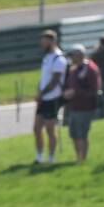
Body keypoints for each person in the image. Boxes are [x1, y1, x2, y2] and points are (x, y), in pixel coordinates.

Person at [62, 45, 101, 162]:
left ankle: (82, 159)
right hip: (74, 107)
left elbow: (94, 90)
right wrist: (66, 92)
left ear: (79, 55)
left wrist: (76, 92)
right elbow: (69, 85)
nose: (71, 59)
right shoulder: (73, 70)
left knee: (81, 134)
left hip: (86, 107)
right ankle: (78, 157)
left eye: (72, 55)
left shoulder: (90, 69)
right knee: (73, 134)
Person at [34, 29, 67, 164]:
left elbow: (54, 81)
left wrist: (42, 93)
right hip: (43, 98)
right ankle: (39, 156)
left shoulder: (59, 59)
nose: (42, 44)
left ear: (52, 41)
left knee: (50, 129)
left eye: (45, 41)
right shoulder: (47, 57)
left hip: (52, 98)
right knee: (37, 128)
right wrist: (38, 92)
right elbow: (44, 78)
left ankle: (51, 157)